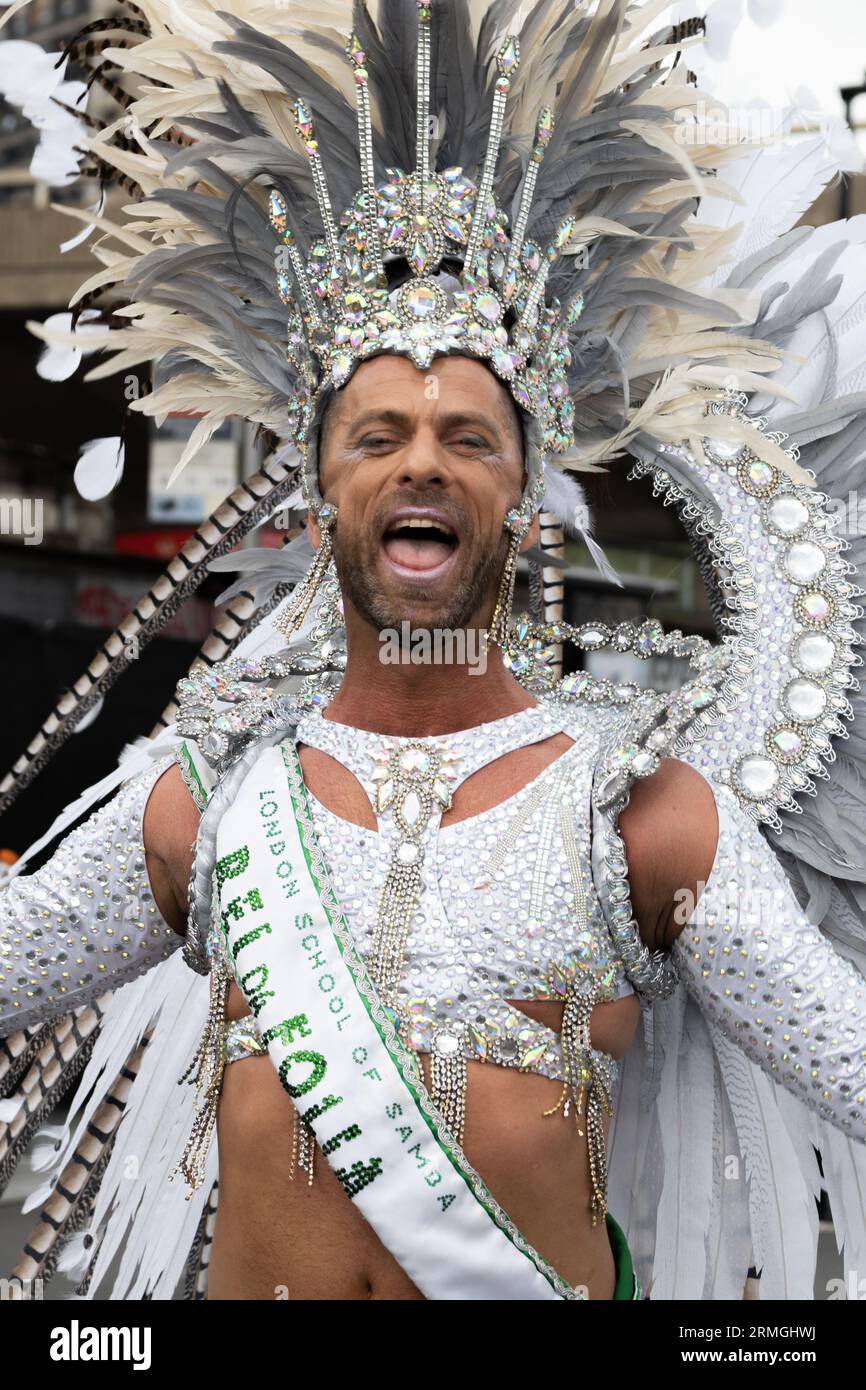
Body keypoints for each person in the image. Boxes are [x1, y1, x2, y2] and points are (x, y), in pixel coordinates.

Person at [1, 0, 865, 1301]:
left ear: (522, 496)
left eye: (467, 435)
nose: (420, 459)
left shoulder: (644, 816)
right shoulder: (209, 798)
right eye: (377, 432)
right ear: (318, 490)